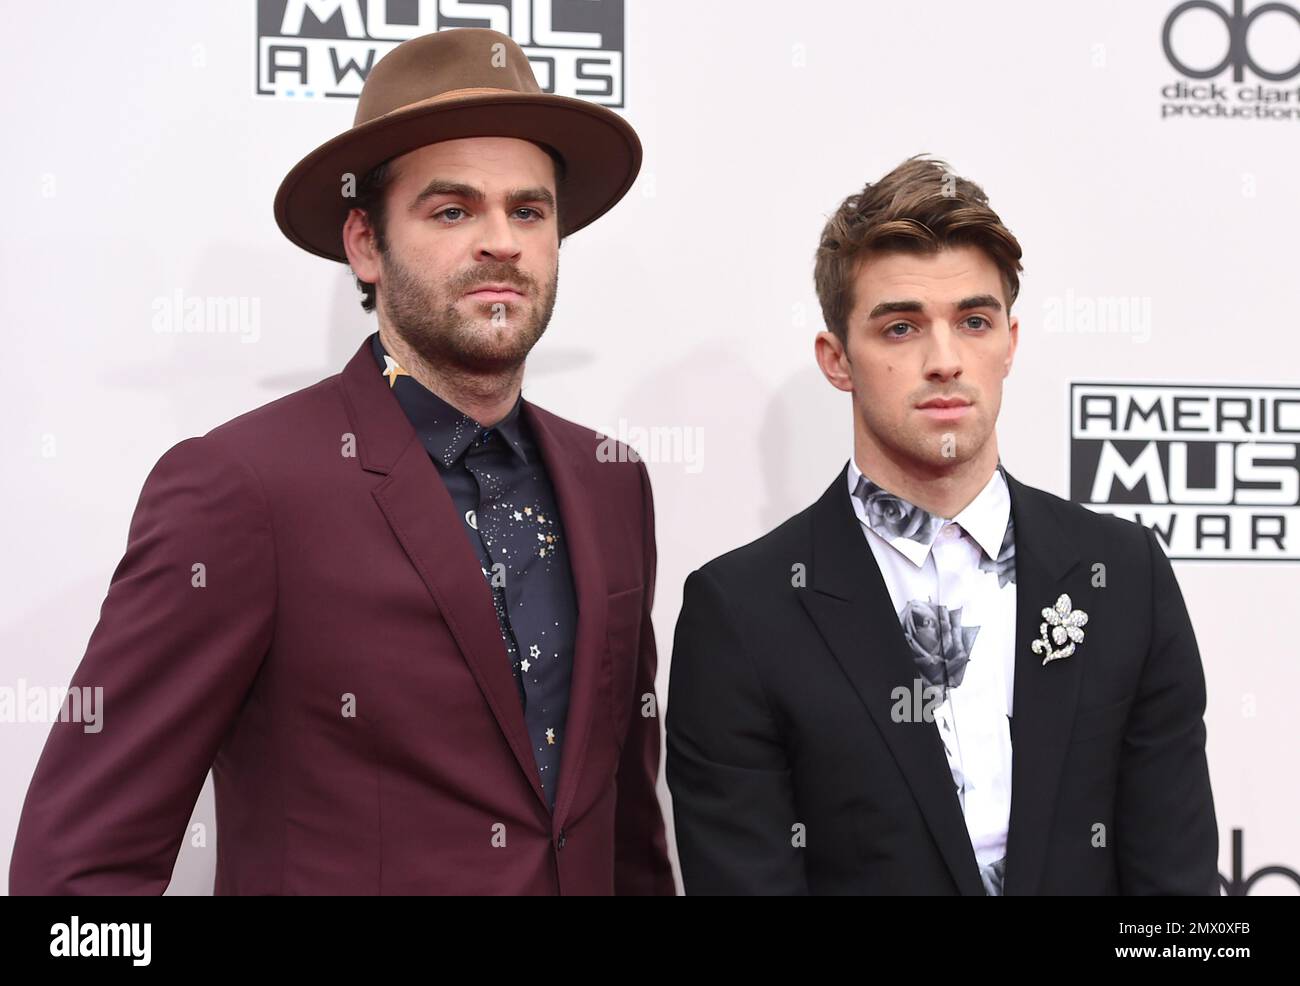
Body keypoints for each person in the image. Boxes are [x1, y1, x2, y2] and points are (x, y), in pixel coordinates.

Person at [10, 28, 673, 895]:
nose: (501, 241)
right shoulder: (242, 490)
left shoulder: (610, 480)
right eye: (452, 209)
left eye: (528, 210)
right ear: (365, 243)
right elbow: (74, 874)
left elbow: (625, 836)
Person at [666, 155, 1218, 895]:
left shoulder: (1121, 573)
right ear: (838, 360)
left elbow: (1175, 890)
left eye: (974, 321)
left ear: (1010, 343)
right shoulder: (740, 610)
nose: (945, 360)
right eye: (900, 328)